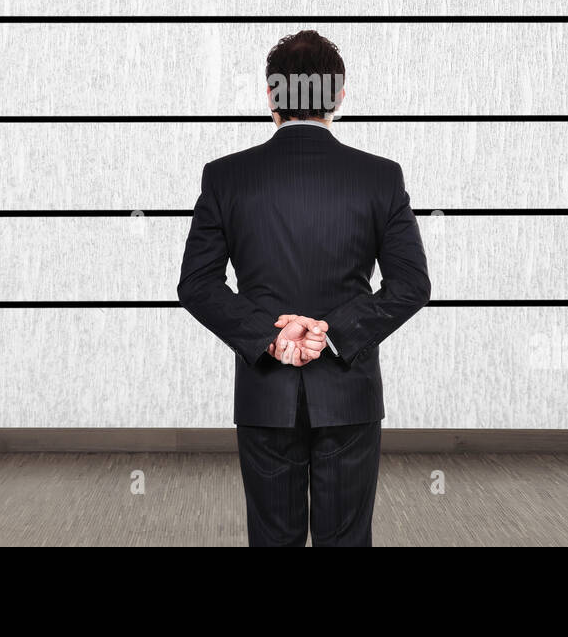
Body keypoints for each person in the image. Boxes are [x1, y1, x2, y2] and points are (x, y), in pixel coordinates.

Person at [177, 29, 431, 546]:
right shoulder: (380, 177)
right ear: (338, 95)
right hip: (349, 393)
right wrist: (332, 333)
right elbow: (410, 285)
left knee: (273, 538)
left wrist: (271, 337)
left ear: (271, 96)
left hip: (265, 392)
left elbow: (198, 284)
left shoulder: (226, 177)